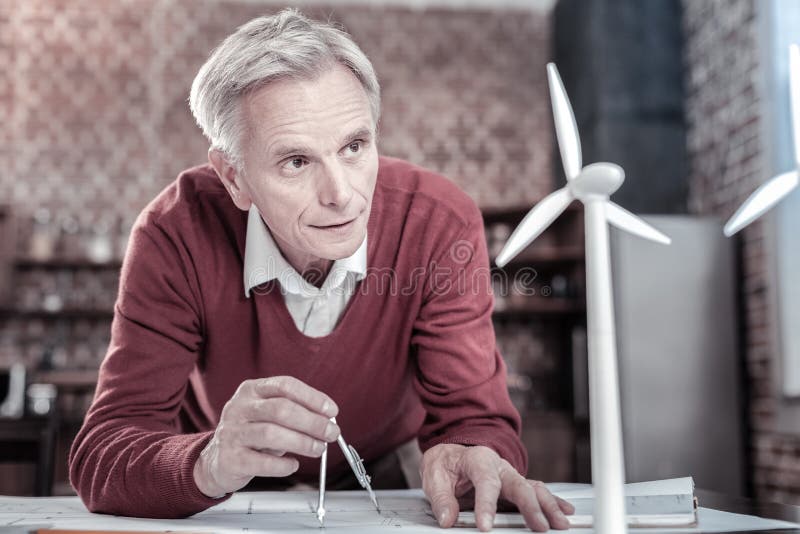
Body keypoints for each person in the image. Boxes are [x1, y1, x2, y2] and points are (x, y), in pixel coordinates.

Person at [68, 8, 574, 532]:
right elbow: (104, 451)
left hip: (386, 463)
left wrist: (473, 453)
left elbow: (478, 421)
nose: (342, 195)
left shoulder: (438, 223)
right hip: (219, 469)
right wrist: (210, 462)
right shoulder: (175, 233)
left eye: (354, 147)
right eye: (296, 162)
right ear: (234, 178)